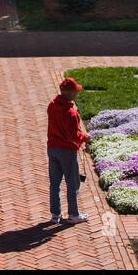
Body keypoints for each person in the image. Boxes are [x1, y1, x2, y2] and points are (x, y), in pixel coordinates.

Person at [47, 77, 91, 224]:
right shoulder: (70, 113)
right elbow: (73, 135)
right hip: (67, 150)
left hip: (52, 148)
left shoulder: (52, 106)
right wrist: (86, 137)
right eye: (75, 91)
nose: (76, 93)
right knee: (72, 184)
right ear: (69, 92)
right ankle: (73, 214)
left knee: (55, 183)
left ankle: (55, 214)